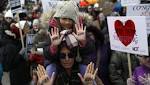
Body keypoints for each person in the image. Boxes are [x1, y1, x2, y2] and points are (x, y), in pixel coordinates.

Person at [36, 41, 103, 85]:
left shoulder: (87, 72)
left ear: (75, 56)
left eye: (70, 55)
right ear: (58, 57)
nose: (67, 59)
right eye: (62, 56)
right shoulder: (48, 74)